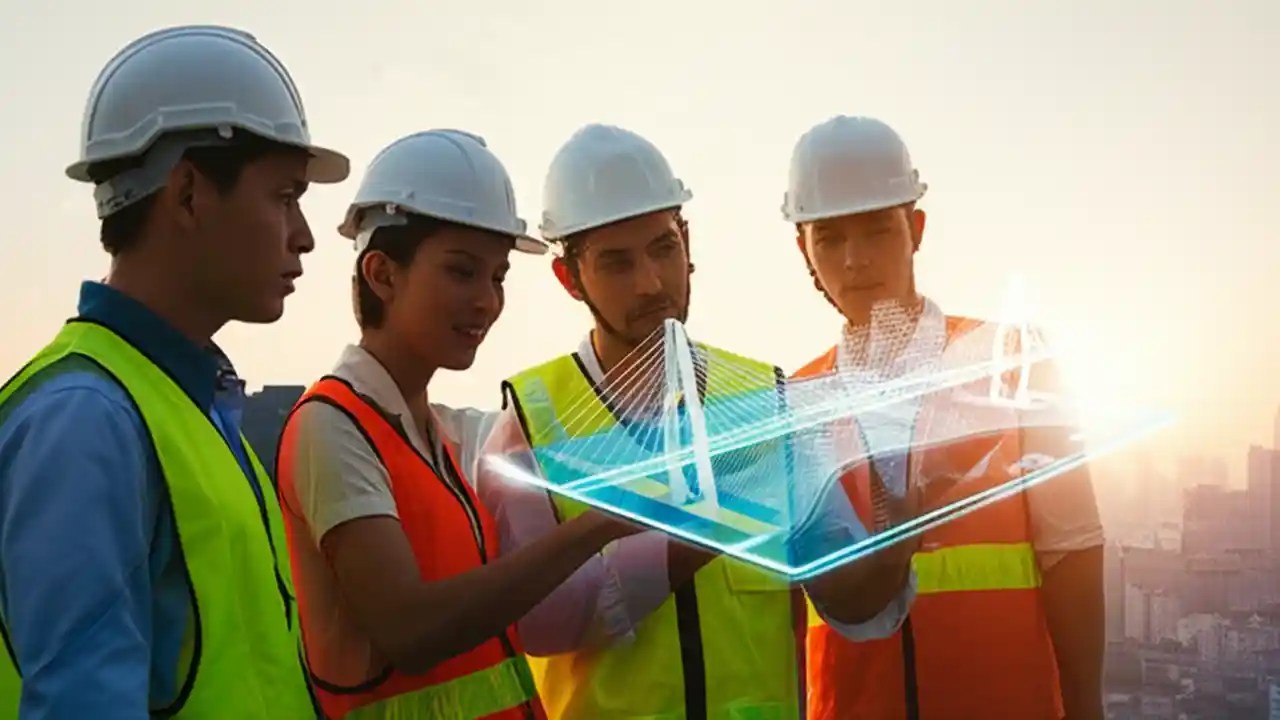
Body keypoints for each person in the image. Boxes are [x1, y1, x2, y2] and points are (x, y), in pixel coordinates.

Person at [481, 123, 919, 719]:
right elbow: (542, 625)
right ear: (569, 277)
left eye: (663, 248)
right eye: (616, 263)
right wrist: (712, 522)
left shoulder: (767, 398)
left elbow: (850, 598)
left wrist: (898, 521)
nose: (652, 284)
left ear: (687, 240)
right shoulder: (531, 422)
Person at [0, 25, 348, 719]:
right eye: (284, 196)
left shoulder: (189, 406)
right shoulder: (85, 420)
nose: (304, 235)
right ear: (188, 194)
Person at [274, 129, 638, 720]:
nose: (486, 302)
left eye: (497, 278)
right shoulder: (332, 427)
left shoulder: (435, 433)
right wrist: (596, 526)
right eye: (462, 272)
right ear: (382, 274)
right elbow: (412, 630)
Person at [785, 115, 1106, 720]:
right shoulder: (795, 401)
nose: (854, 260)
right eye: (829, 238)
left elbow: (1073, 552)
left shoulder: (1011, 361)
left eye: (877, 230)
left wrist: (1087, 709)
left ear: (916, 229)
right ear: (803, 249)